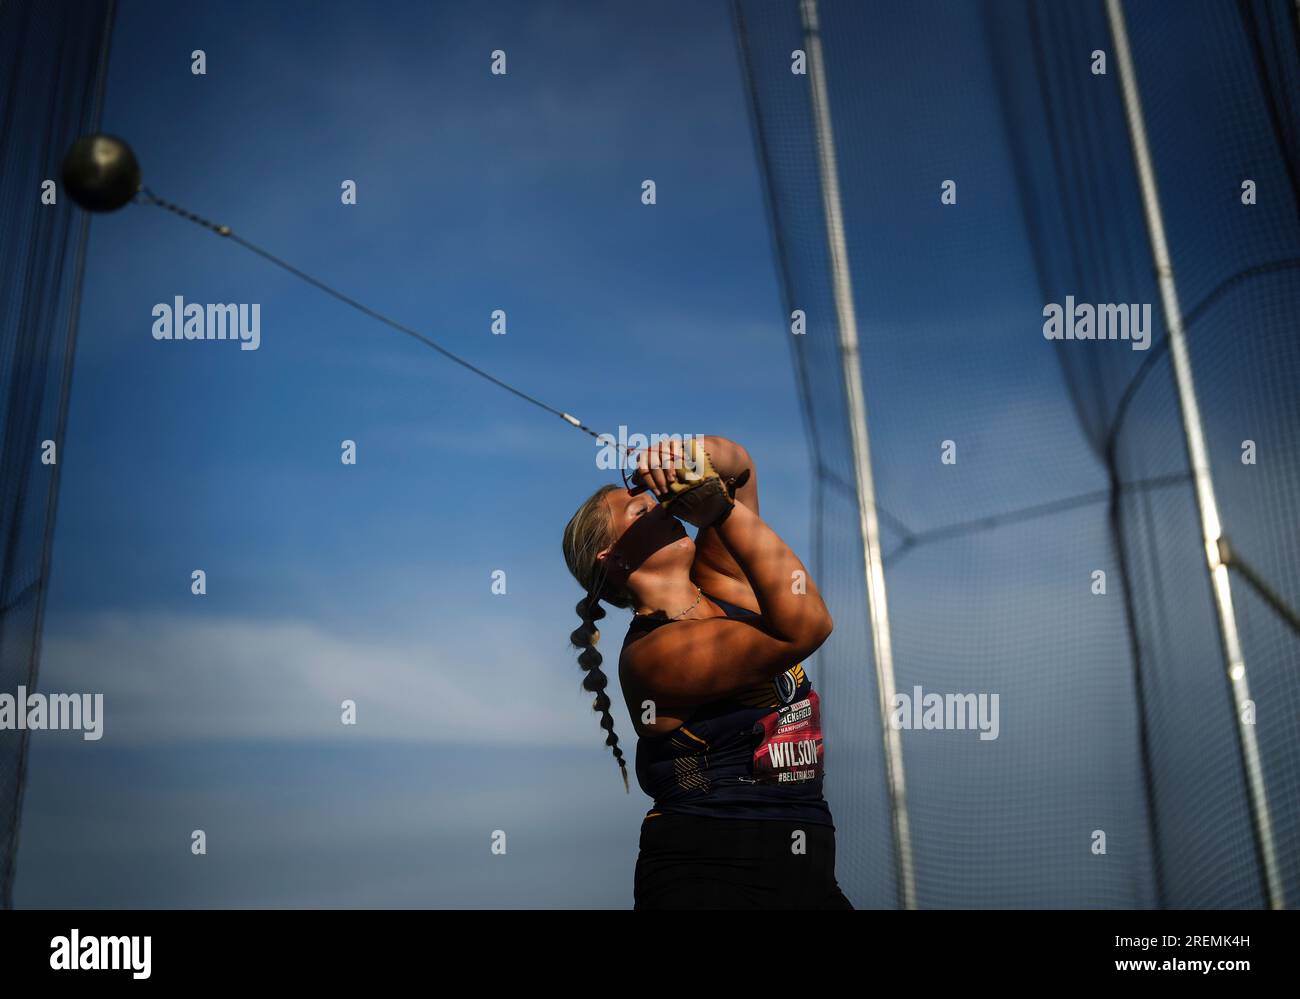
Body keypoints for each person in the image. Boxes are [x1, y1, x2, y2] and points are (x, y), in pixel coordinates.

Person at [561, 435, 852, 909]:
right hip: (712, 876)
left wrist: (688, 455)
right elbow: (805, 627)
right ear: (613, 560)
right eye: (640, 512)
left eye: (654, 498)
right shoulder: (651, 655)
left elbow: (741, 469)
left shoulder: (723, 584)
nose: (660, 506)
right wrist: (718, 511)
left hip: (809, 867)